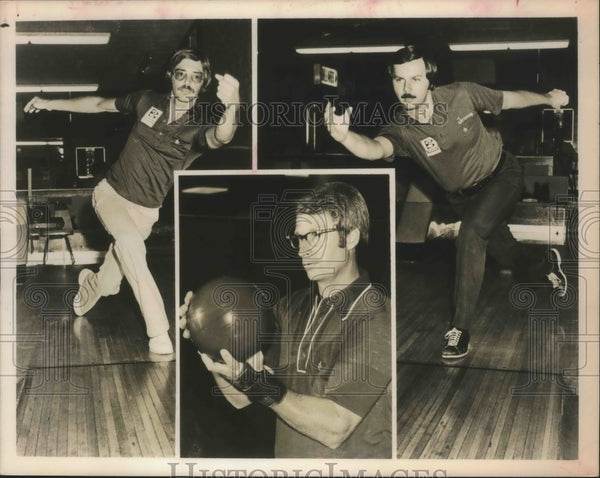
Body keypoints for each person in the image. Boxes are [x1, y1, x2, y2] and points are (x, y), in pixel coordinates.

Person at [323, 44, 569, 359]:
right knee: (504, 252)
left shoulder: (462, 94)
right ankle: (546, 265)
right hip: (462, 197)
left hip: (502, 176)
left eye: (415, 79)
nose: (407, 89)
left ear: (430, 79)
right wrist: (345, 137)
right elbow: (376, 149)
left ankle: (459, 329)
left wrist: (548, 98)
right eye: (399, 80)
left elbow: (510, 99)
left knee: (470, 235)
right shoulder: (402, 126)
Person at [24, 48, 241, 354]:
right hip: (110, 194)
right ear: (172, 77)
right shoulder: (147, 100)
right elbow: (99, 104)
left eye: (196, 77)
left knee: (113, 281)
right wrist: (49, 102)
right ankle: (159, 333)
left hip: (146, 212)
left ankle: (92, 284)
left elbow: (222, 137)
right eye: (182, 75)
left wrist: (233, 105)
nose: (187, 83)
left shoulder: (198, 125)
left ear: (203, 83)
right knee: (131, 246)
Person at [179, 182, 392, 458]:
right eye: (299, 238)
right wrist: (208, 338)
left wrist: (262, 387)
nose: (303, 249)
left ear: (350, 238)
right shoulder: (290, 307)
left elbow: (336, 426)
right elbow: (240, 397)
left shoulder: (376, 315)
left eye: (314, 235)